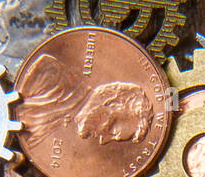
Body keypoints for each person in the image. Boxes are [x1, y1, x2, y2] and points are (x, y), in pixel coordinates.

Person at [17, 53, 154, 146]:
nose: (102, 141)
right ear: (112, 102)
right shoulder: (52, 73)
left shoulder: (63, 123)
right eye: (111, 129)